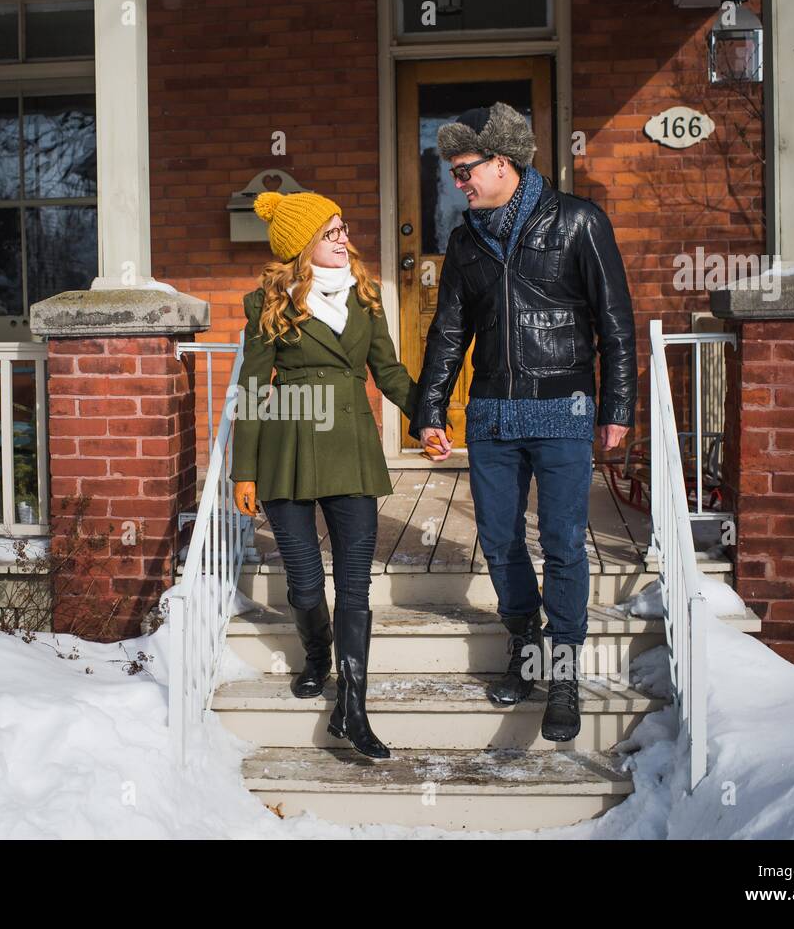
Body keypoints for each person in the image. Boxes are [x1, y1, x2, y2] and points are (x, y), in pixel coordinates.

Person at [411, 101, 638, 742]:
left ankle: (561, 674)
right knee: (501, 541)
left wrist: (617, 407)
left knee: (563, 544)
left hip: (564, 409)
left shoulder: (579, 222)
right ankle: (524, 642)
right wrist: (430, 410)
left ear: (503, 164)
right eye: (454, 173)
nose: (458, 184)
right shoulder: (464, 239)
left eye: (465, 170)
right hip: (490, 415)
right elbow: (449, 331)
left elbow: (614, 321)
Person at [231, 189, 419, 760]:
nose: (344, 237)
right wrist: (245, 472)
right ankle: (317, 657)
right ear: (304, 246)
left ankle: (353, 708)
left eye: (342, 226)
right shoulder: (268, 302)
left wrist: (428, 419)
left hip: (353, 450)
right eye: (330, 230)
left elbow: (388, 371)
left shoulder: (367, 298)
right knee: (307, 584)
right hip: (287, 452)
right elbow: (254, 391)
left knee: (355, 586)